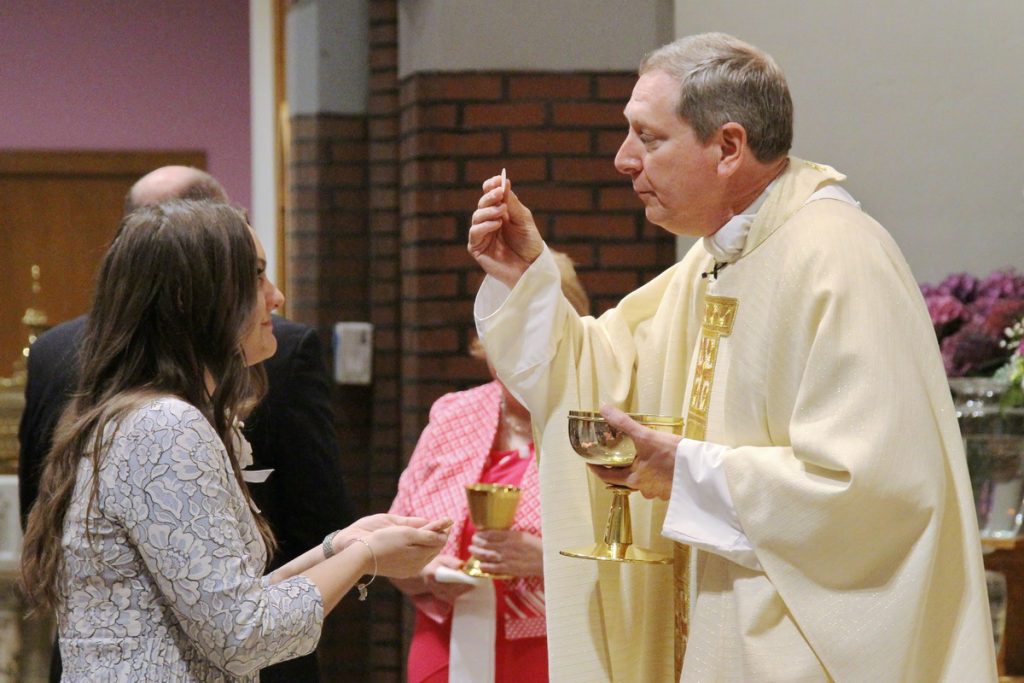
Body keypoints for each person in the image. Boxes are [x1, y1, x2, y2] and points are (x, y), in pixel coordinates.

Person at [468, 32, 995, 682]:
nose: (623, 159)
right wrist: (525, 280)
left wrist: (688, 472)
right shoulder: (719, 261)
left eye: (648, 137)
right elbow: (599, 371)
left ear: (728, 147)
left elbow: (873, 497)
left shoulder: (837, 258)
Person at [19, 199, 450, 681]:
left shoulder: (147, 414)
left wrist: (340, 547)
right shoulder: (164, 426)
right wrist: (366, 557)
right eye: (256, 276)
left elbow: (229, 605)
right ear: (191, 298)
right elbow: (242, 636)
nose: (276, 297)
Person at [389, 251, 589, 683]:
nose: (513, 351)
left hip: (553, 654)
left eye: (528, 332)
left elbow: (637, 563)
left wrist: (547, 561)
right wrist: (425, 573)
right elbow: (394, 546)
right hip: (447, 647)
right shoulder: (452, 414)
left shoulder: (594, 425)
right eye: (500, 332)